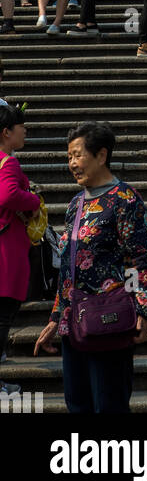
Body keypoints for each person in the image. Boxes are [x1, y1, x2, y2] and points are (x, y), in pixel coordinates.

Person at [33, 121, 147, 414]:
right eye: (69, 157)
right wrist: (55, 316)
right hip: (74, 320)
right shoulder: (76, 203)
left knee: (109, 403)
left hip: (110, 320)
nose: (72, 163)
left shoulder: (125, 200)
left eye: (78, 155)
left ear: (101, 155)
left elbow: (139, 259)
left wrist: (143, 308)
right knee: (77, 403)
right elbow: (67, 266)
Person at [0, 103, 42, 390]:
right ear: (6, 132)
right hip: (7, 250)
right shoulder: (9, 162)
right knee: (3, 317)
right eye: (20, 127)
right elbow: (8, 196)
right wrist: (34, 201)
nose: (24, 130)